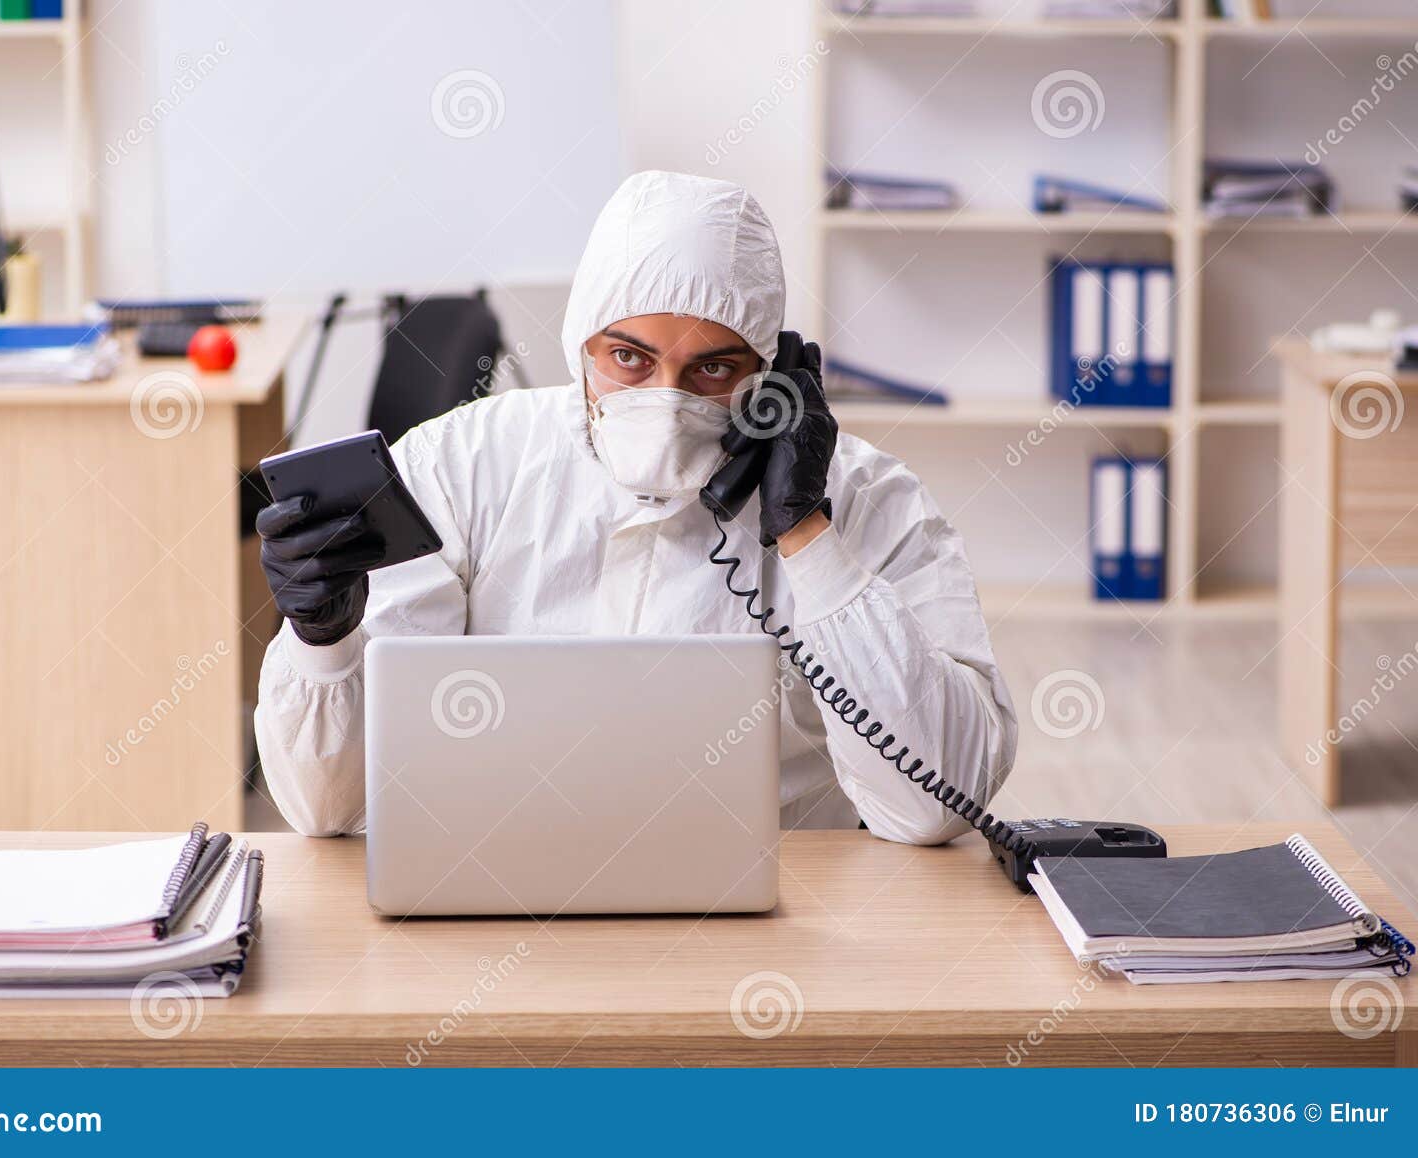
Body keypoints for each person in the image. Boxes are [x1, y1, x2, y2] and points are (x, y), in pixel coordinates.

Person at [255, 170, 1016, 844]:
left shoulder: (870, 497)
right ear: (581, 347)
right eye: (628, 357)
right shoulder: (463, 463)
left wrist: (808, 535)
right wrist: (325, 644)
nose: (665, 399)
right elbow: (326, 808)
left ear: (772, 371)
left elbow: (935, 806)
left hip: (785, 910)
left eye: (713, 369)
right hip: (499, 888)